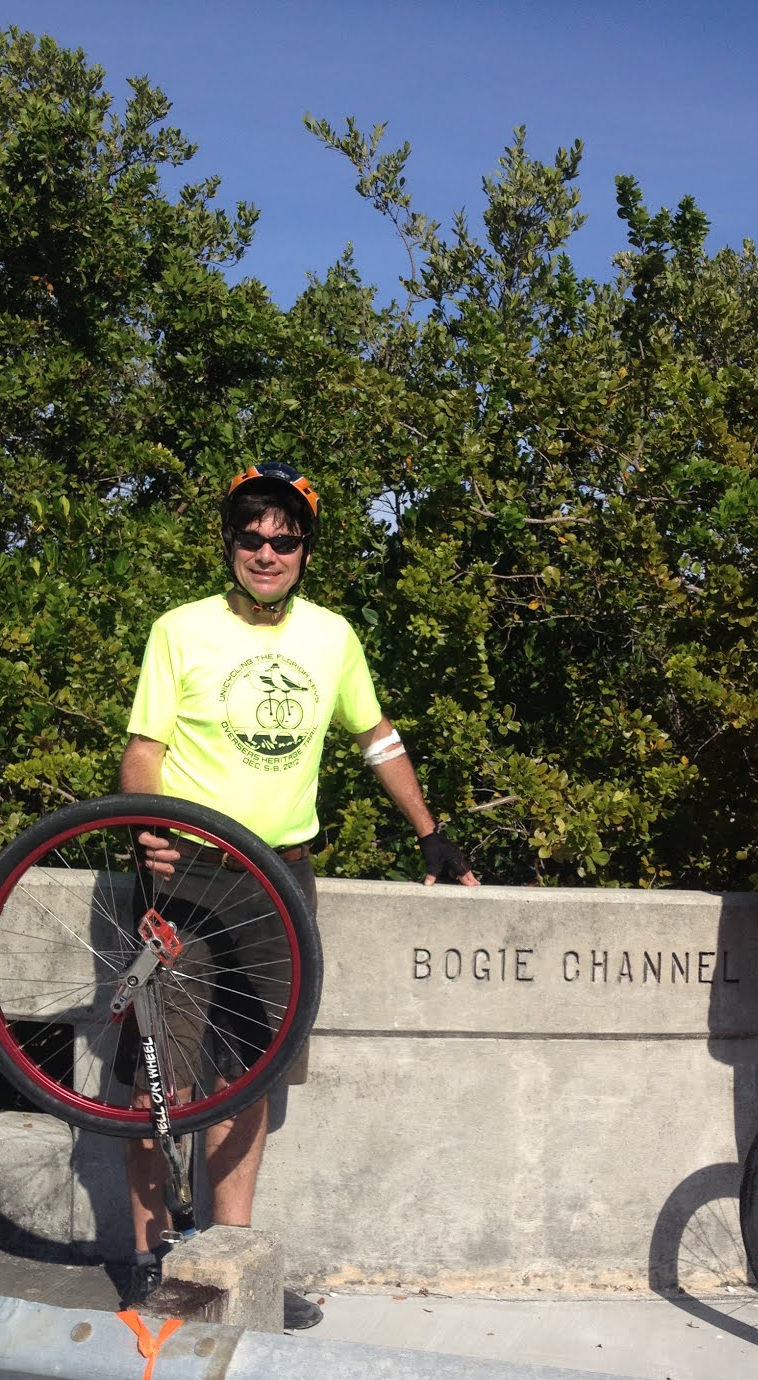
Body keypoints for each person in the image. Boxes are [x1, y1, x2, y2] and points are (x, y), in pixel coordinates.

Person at [119, 461, 478, 1329]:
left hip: (282, 876)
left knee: (251, 1075)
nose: (267, 552)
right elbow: (143, 744)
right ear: (230, 542)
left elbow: (377, 737)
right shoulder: (181, 630)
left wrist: (430, 833)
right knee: (155, 1078)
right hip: (189, 870)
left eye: (285, 539)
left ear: (306, 549)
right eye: (252, 537)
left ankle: (229, 1263)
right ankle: (147, 1258)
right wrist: (143, 820)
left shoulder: (333, 638)